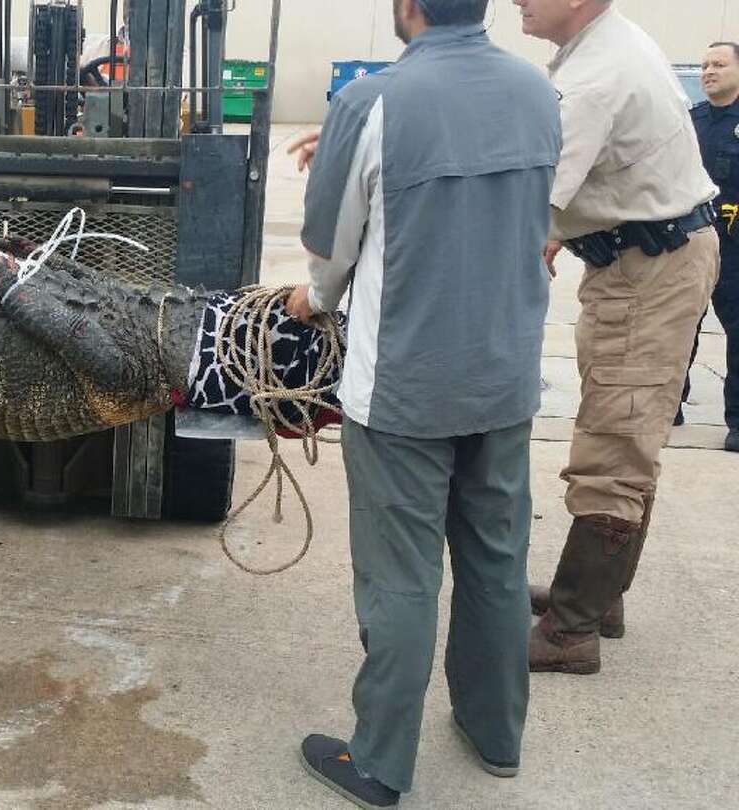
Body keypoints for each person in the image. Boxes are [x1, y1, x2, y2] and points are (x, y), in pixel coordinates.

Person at [283, 1, 560, 806]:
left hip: (403, 387)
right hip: (504, 377)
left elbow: (330, 248)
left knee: (400, 578)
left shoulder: (371, 102)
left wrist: (314, 299)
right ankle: (496, 734)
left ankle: (378, 763)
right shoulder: (538, 94)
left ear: (408, 6)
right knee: (498, 563)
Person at [514, 0, 720, 676]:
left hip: (649, 264)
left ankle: (571, 630)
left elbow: (530, 208)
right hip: (641, 255)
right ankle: (597, 599)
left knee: (616, 441)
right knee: (630, 426)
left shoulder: (597, 76)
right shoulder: (603, 45)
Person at [679, 42, 739, 452]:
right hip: (691, 241)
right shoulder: (691, 121)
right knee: (678, 327)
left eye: (719, 64)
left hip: (735, 249)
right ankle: (669, 405)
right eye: (704, 65)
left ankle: (737, 421)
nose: (708, 71)